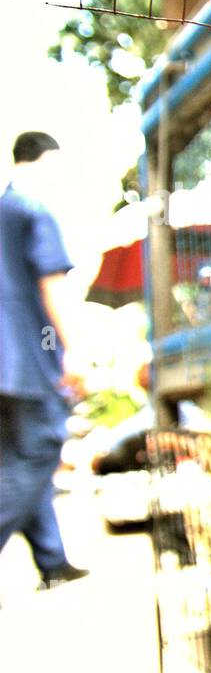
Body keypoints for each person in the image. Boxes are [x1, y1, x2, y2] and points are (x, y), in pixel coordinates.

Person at [0, 131, 90, 587]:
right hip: (22, 360)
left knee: (16, 458)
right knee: (38, 451)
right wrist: (73, 354)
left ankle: (52, 561)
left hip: (9, 364)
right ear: (42, 161)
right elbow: (52, 289)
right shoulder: (33, 210)